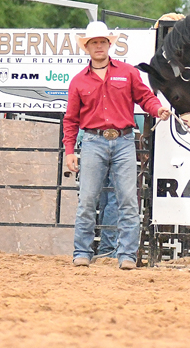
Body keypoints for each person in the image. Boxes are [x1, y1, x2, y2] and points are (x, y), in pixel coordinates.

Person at [63, 21, 170, 270]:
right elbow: (71, 119)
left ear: (109, 45)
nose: (99, 46)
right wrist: (70, 151)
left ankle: (127, 255)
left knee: (128, 200)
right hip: (93, 141)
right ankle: (82, 252)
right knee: (87, 200)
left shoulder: (128, 72)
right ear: (87, 47)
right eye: (94, 42)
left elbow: (145, 97)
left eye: (102, 42)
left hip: (123, 141)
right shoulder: (78, 82)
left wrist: (157, 109)